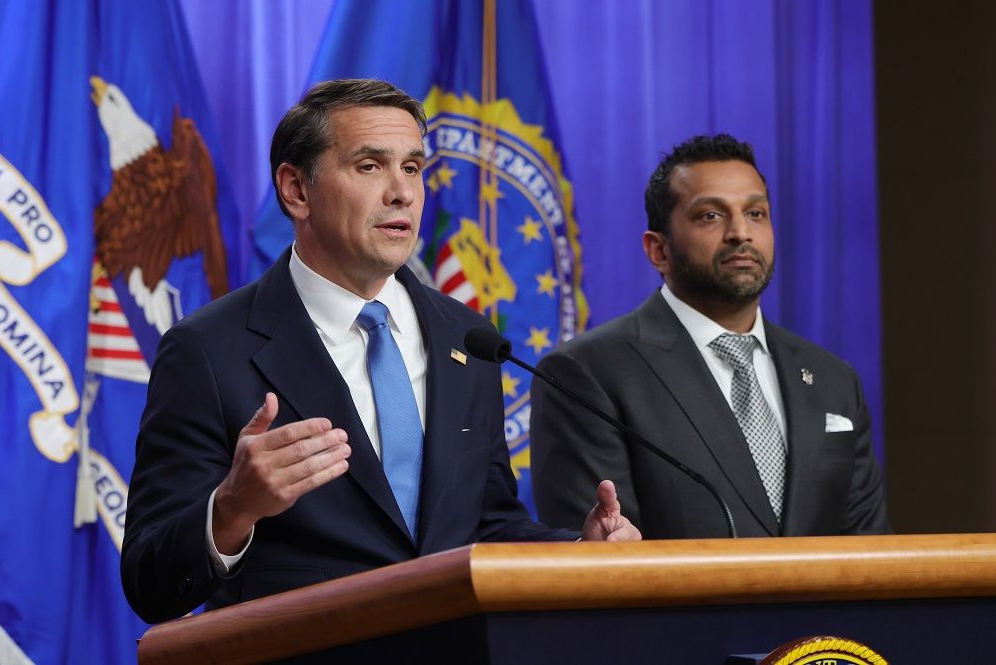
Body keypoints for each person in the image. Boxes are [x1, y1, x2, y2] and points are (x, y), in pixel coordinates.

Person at [120, 79, 639, 625]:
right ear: (296, 190)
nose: (403, 193)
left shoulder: (465, 336)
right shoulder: (208, 349)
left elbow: (484, 524)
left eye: (412, 168)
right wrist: (232, 508)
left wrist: (576, 550)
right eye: (370, 166)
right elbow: (150, 583)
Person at [530, 134, 889, 539]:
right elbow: (598, 554)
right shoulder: (588, 373)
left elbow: (868, 545)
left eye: (755, 213)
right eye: (710, 216)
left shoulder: (832, 380)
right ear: (658, 251)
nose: (740, 233)